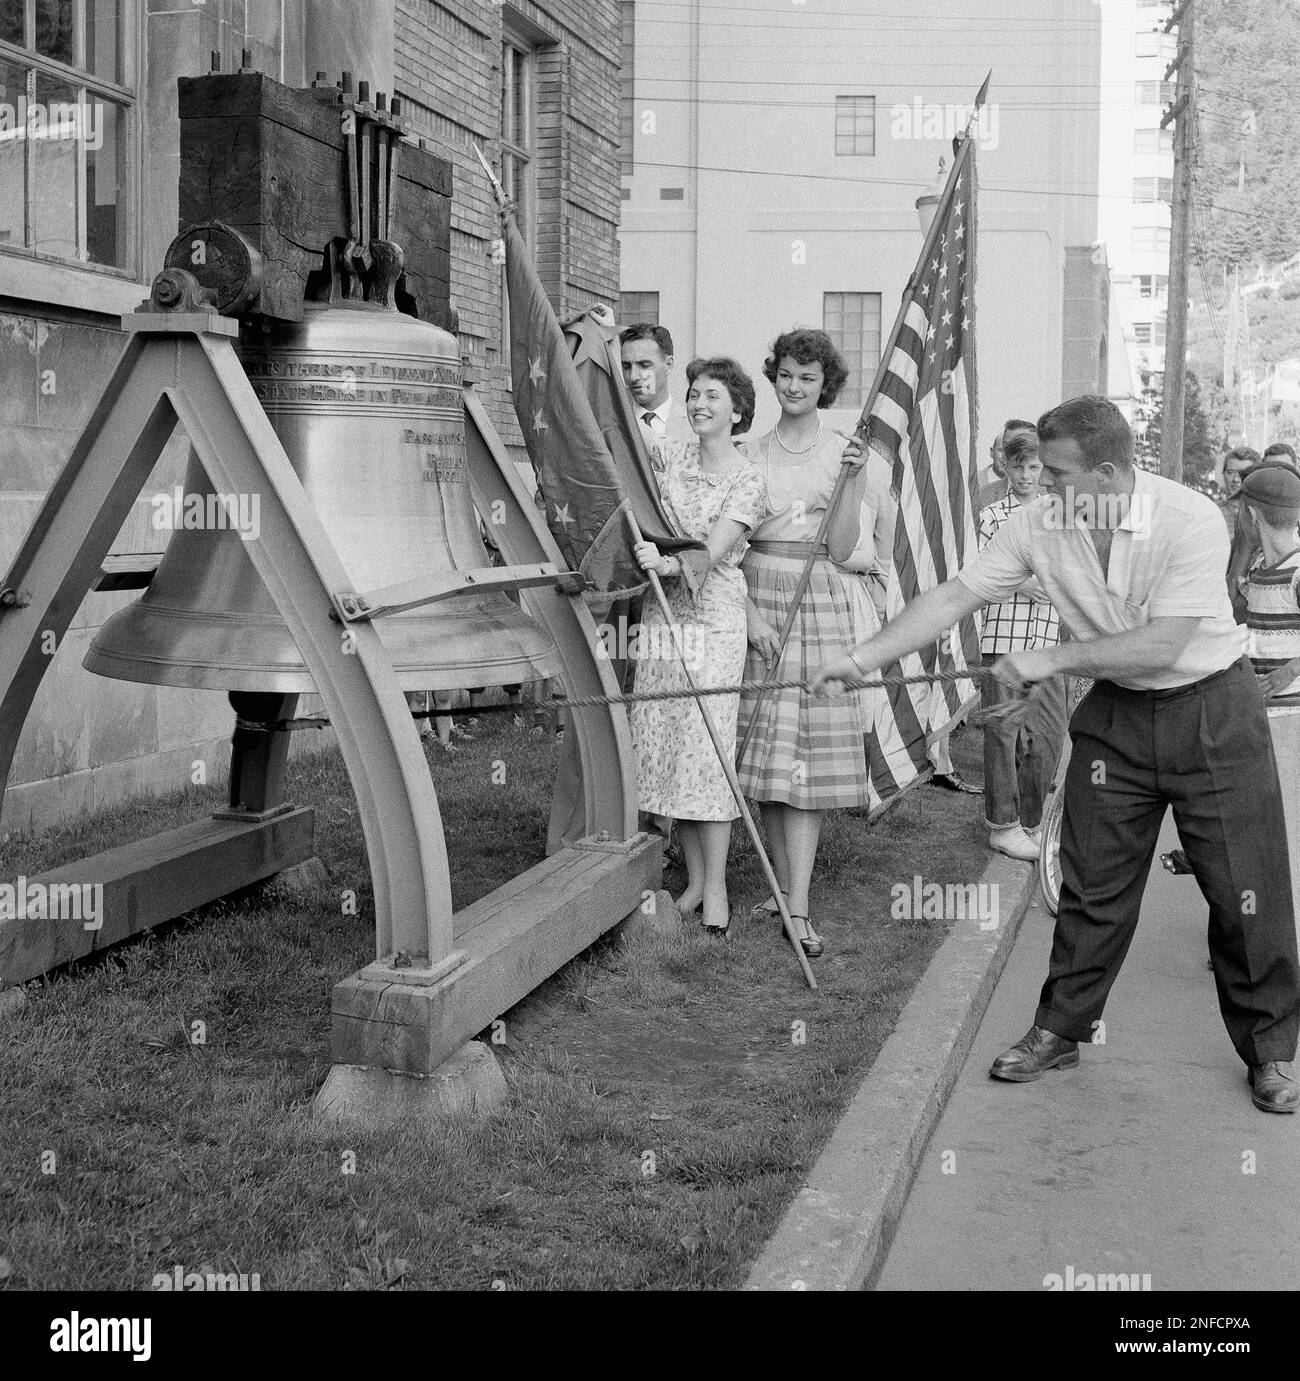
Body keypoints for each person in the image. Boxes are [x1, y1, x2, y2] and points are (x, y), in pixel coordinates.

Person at [812, 395, 1300, 1114]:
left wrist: (1046, 658)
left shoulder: (1188, 517)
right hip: (1118, 713)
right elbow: (954, 596)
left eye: (1058, 473)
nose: (1043, 483)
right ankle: (1061, 1030)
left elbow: (1164, 643)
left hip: (1212, 710)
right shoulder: (1037, 522)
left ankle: (1271, 1051)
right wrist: (862, 659)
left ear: (1107, 473)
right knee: (1092, 882)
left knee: (1244, 889)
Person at [738, 329, 871, 958]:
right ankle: (782, 889)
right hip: (758, 594)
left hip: (815, 597)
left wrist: (854, 482)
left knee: (805, 751)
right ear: (774, 377)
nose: (794, 386)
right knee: (768, 747)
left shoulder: (845, 453)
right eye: (786, 374)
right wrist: (746, 614)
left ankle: (800, 904)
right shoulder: (750, 452)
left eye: (808, 378)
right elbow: (732, 544)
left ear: (826, 385)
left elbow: (842, 548)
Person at [629, 357, 769, 935]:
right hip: (662, 617)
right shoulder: (670, 458)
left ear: (737, 411)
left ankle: (717, 890)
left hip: (712, 618)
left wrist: (667, 563)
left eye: (713, 395)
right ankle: (691, 881)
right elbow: (624, 454)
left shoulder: (749, 479)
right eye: (693, 394)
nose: (698, 404)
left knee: (706, 750)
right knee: (668, 748)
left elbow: (711, 551)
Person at [976, 428, 1067, 860]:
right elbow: (981, 571)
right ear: (1006, 468)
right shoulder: (992, 516)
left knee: (1048, 734)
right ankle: (1003, 825)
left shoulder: (1060, 517)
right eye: (1018, 467)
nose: (1026, 475)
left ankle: (1030, 822)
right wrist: (1023, 582)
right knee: (1003, 732)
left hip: (1046, 642)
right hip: (1004, 639)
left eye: (1034, 467)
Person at [619, 324, 698, 460]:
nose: (633, 377)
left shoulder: (695, 426)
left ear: (668, 365)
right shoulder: (614, 424)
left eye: (644, 365)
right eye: (626, 366)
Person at [975, 418, 1037, 514]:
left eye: (1019, 446)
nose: (1008, 452)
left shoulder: (1053, 495)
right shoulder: (981, 495)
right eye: (1006, 446)